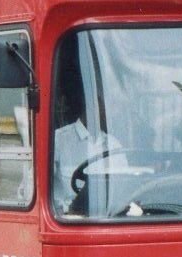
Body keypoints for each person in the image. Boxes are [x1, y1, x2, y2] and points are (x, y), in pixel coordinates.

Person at [50, 87, 126, 216]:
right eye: (109, 105)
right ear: (93, 106)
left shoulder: (114, 145)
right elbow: (31, 188)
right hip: (67, 222)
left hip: (106, 219)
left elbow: (125, 189)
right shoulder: (59, 140)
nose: (114, 113)